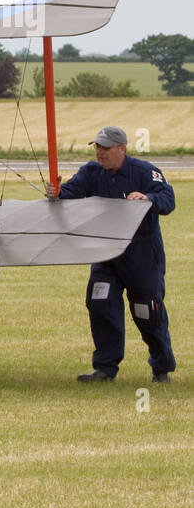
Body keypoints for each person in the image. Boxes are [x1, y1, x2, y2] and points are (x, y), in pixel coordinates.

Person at [54, 126, 176, 383]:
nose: (100, 152)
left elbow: (168, 199)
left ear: (122, 148)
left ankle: (161, 368)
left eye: (106, 147)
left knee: (147, 312)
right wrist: (56, 193)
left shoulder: (144, 171)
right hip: (107, 254)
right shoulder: (90, 172)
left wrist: (148, 197)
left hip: (141, 255)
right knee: (101, 303)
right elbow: (69, 194)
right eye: (98, 147)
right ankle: (105, 369)